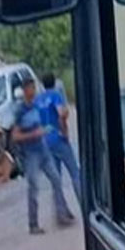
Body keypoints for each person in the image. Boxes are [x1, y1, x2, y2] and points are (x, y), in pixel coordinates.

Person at [11, 76, 76, 234]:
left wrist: (47, 130)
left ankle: (61, 213)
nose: (33, 91)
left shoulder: (36, 106)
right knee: (33, 187)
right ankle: (33, 223)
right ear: (25, 90)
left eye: (34, 88)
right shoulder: (20, 111)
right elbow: (15, 136)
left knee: (56, 179)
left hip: (43, 149)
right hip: (31, 153)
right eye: (30, 88)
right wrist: (33, 134)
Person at [37, 73, 82, 205]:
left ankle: (61, 210)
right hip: (58, 138)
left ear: (43, 84)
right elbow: (61, 113)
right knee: (75, 173)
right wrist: (65, 132)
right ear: (54, 83)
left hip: (45, 141)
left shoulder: (38, 100)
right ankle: (84, 204)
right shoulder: (55, 96)